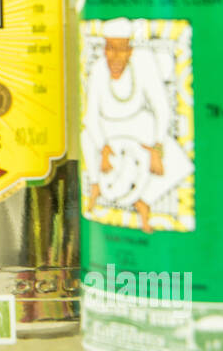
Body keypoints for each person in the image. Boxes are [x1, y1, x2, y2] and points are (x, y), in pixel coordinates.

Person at [81, 18, 193, 233]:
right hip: (106, 125)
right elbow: (91, 115)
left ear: (130, 51)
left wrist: (157, 148)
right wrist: (103, 148)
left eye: (120, 50)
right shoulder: (97, 69)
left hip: (139, 122)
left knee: (181, 163)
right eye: (109, 49)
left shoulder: (144, 64)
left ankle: (144, 200)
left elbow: (161, 107)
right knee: (87, 137)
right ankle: (95, 185)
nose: (114, 57)